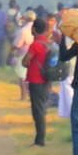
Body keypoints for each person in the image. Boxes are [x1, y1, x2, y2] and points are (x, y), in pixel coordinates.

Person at [23, 17, 51, 146]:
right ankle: (40, 139)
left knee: (38, 111)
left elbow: (25, 61)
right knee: (41, 109)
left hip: (36, 80)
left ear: (34, 30)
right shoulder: (48, 44)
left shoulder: (35, 45)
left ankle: (40, 140)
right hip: (47, 80)